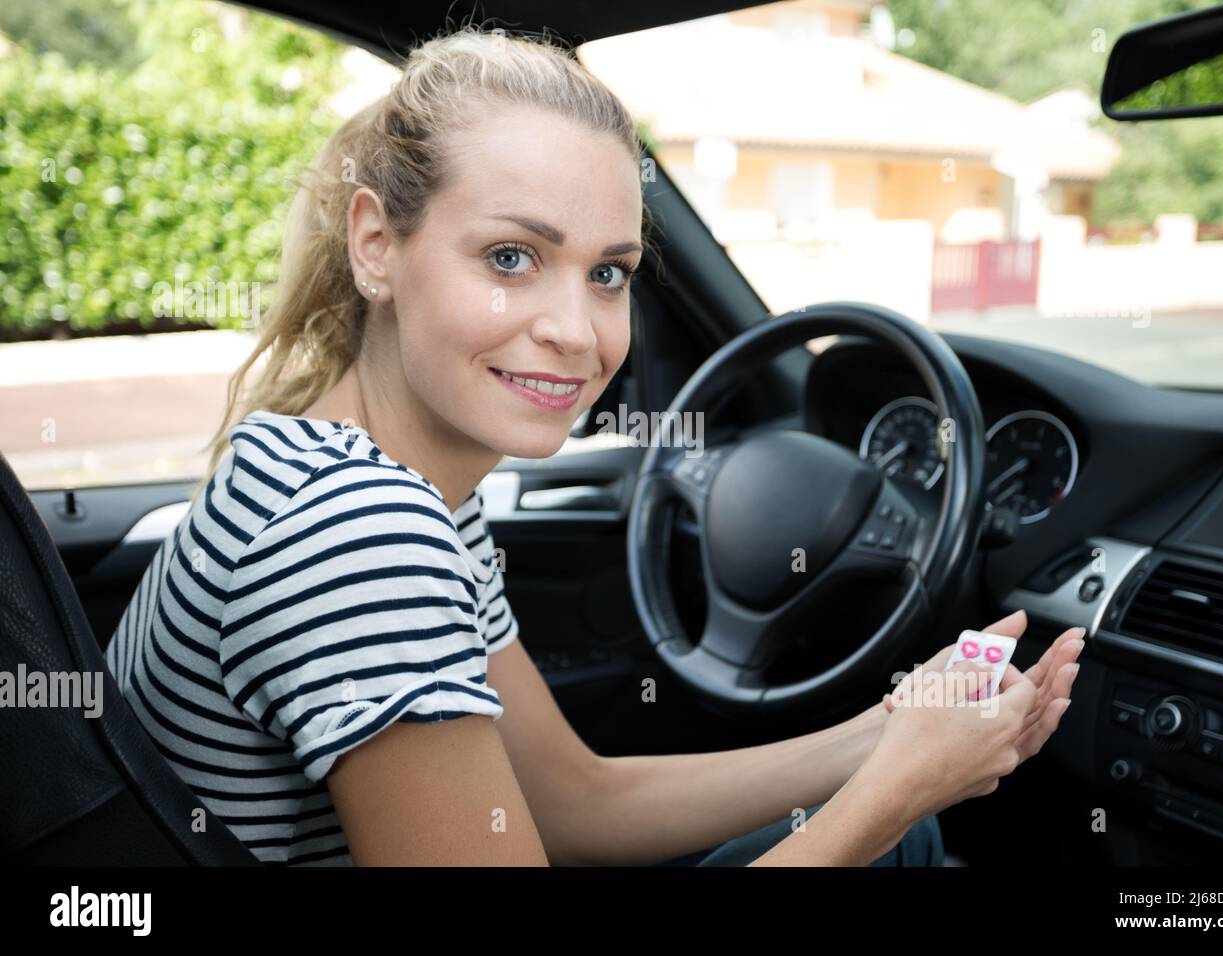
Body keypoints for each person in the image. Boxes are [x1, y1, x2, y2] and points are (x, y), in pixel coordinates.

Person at [104, 24, 1083, 867]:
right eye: (510, 257)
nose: (577, 330)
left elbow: (574, 805)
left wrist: (891, 733)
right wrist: (904, 791)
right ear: (375, 246)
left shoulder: (355, 477)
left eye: (608, 273)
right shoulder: (362, 537)